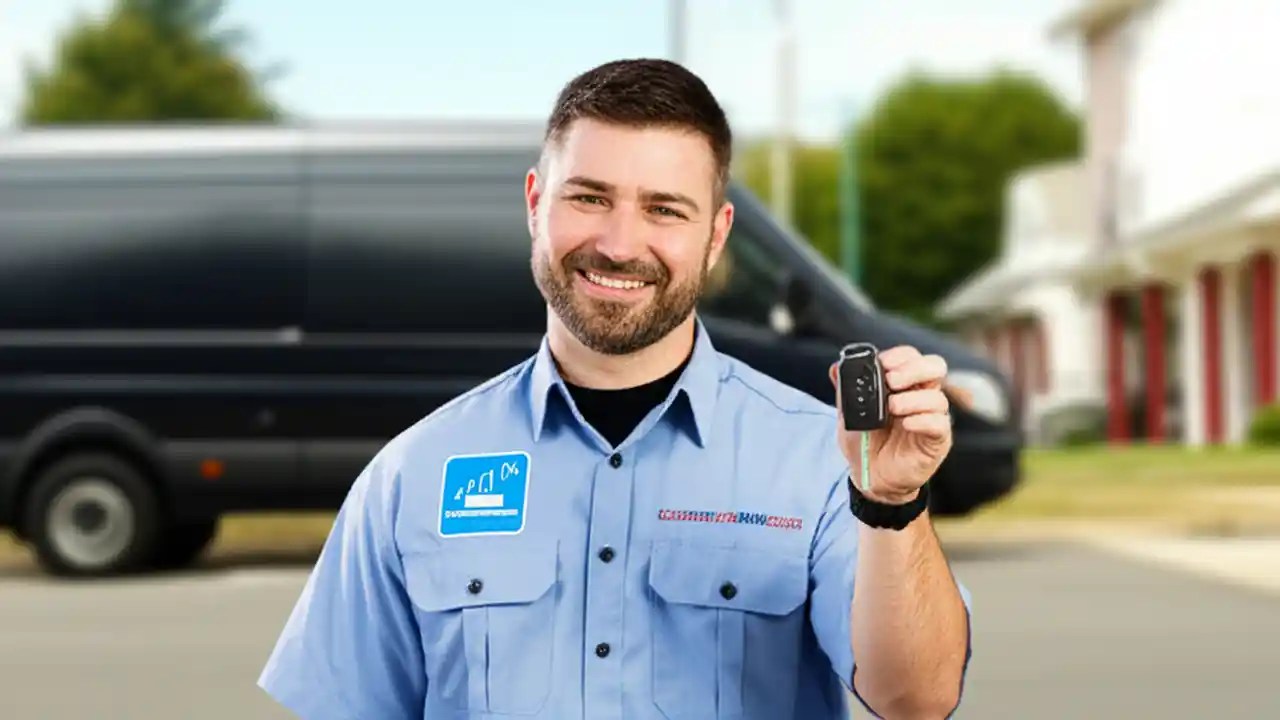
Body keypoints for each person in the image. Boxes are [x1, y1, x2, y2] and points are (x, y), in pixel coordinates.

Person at [258, 57, 972, 720]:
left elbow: (917, 701)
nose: (621, 244)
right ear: (535, 203)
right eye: (590, 197)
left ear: (716, 236)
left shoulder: (823, 461)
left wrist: (891, 505)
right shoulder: (411, 473)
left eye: (665, 209)